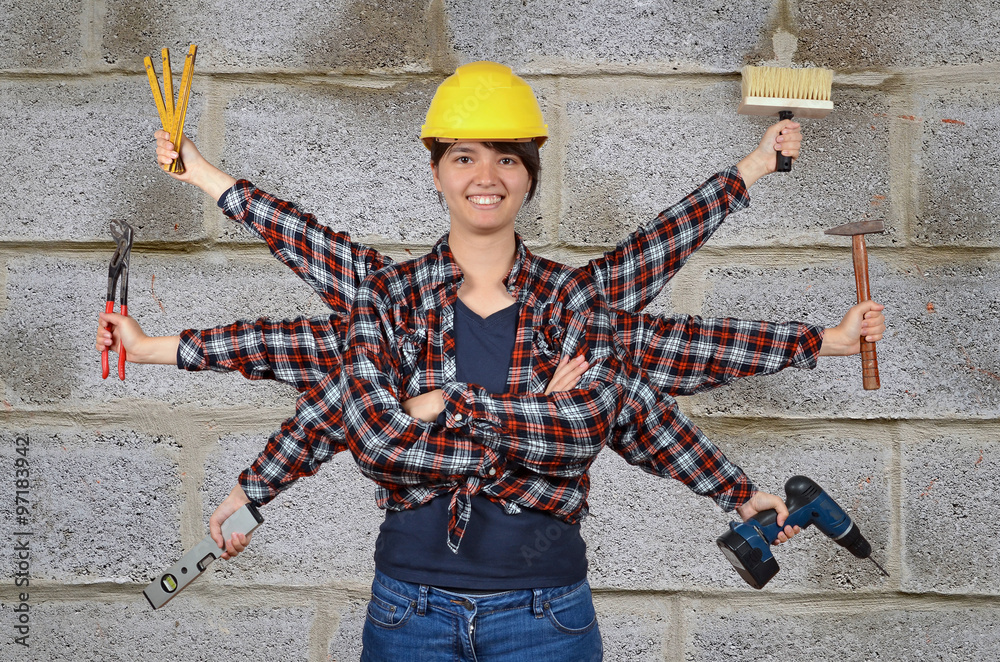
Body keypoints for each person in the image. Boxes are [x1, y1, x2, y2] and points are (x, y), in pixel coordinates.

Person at [97, 62, 884, 659]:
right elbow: (294, 325)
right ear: (437, 171)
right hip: (408, 613)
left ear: (529, 176)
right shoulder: (387, 296)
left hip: (546, 615)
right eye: (465, 157)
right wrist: (249, 481)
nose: (486, 176)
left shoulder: (577, 303)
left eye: (507, 159)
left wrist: (819, 343)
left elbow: (666, 337)